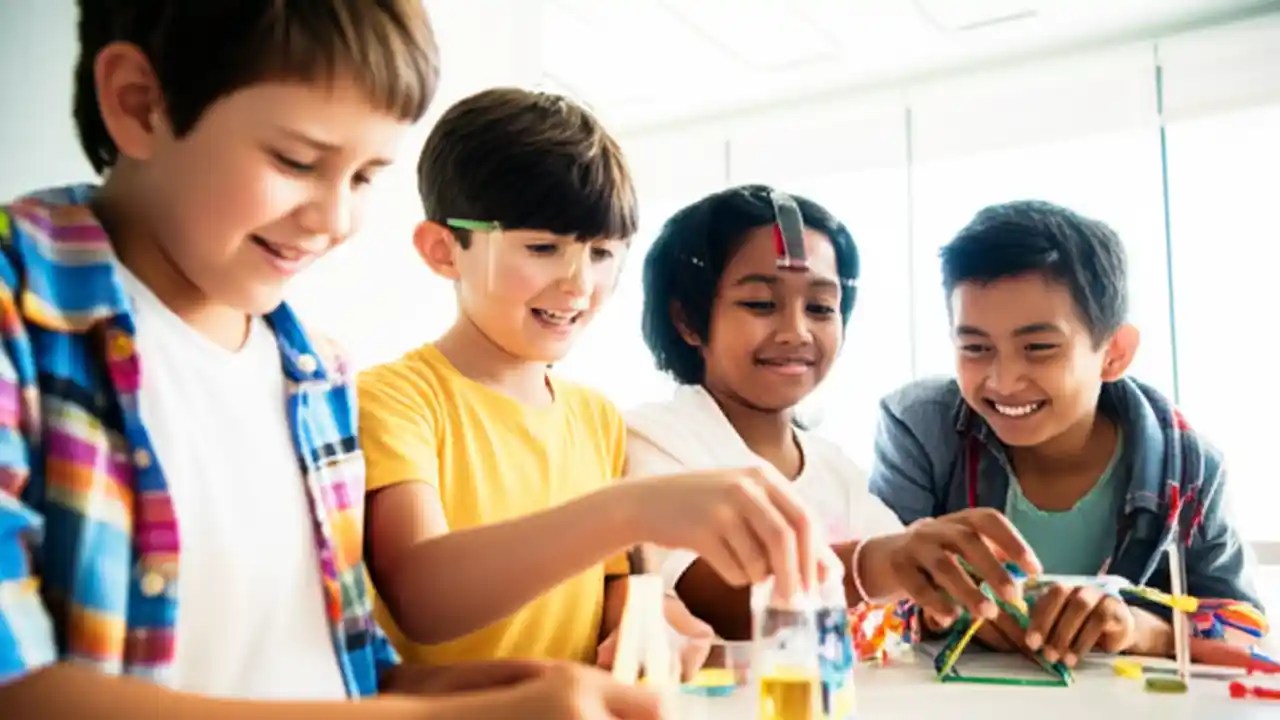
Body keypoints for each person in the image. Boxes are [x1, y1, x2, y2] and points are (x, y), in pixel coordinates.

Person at [0, 3, 662, 718]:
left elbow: (348, 677)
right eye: (297, 162)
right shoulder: (22, 318)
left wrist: (540, 693)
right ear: (140, 104)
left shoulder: (314, 378)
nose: (335, 220)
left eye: (365, 177)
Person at [358, 91, 816, 676]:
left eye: (601, 253)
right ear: (444, 250)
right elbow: (425, 598)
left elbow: (614, 588)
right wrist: (630, 508)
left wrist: (650, 619)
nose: (579, 284)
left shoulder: (593, 416)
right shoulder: (394, 400)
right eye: (543, 248)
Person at [626, 185, 1041, 639]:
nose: (796, 332)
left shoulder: (834, 467)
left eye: (821, 307)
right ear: (687, 319)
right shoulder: (653, 439)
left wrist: (979, 604)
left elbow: (906, 593)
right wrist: (876, 565)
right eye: (761, 304)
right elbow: (711, 599)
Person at [870, 200, 1264, 666]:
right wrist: (937, 608)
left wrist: (1140, 628)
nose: (1003, 380)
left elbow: (1246, 630)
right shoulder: (921, 428)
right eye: (975, 347)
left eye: (1038, 348)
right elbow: (865, 603)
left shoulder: (1187, 464)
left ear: (1114, 352)